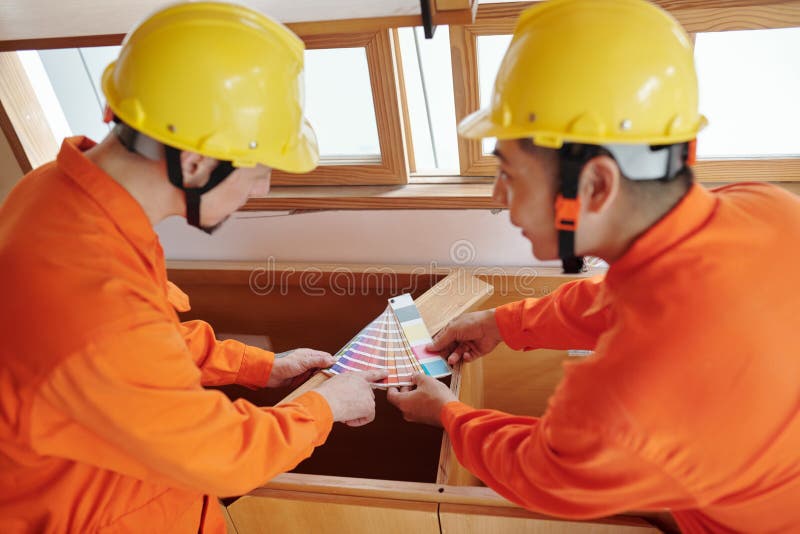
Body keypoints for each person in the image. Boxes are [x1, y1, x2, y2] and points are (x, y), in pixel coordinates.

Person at [388, 0, 800, 531]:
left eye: (509, 174)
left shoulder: (632, 392)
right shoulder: (769, 208)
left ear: (595, 185)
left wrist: (447, 413)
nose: (497, 197)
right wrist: (502, 324)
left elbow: (544, 472)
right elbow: (624, 300)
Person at [0, 3, 385, 532]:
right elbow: (223, 457)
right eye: (260, 168)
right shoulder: (93, 299)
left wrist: (260, 367)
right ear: (197, 161)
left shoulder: (57, 195)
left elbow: (142, 349)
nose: (263, 188)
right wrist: (325, 406)